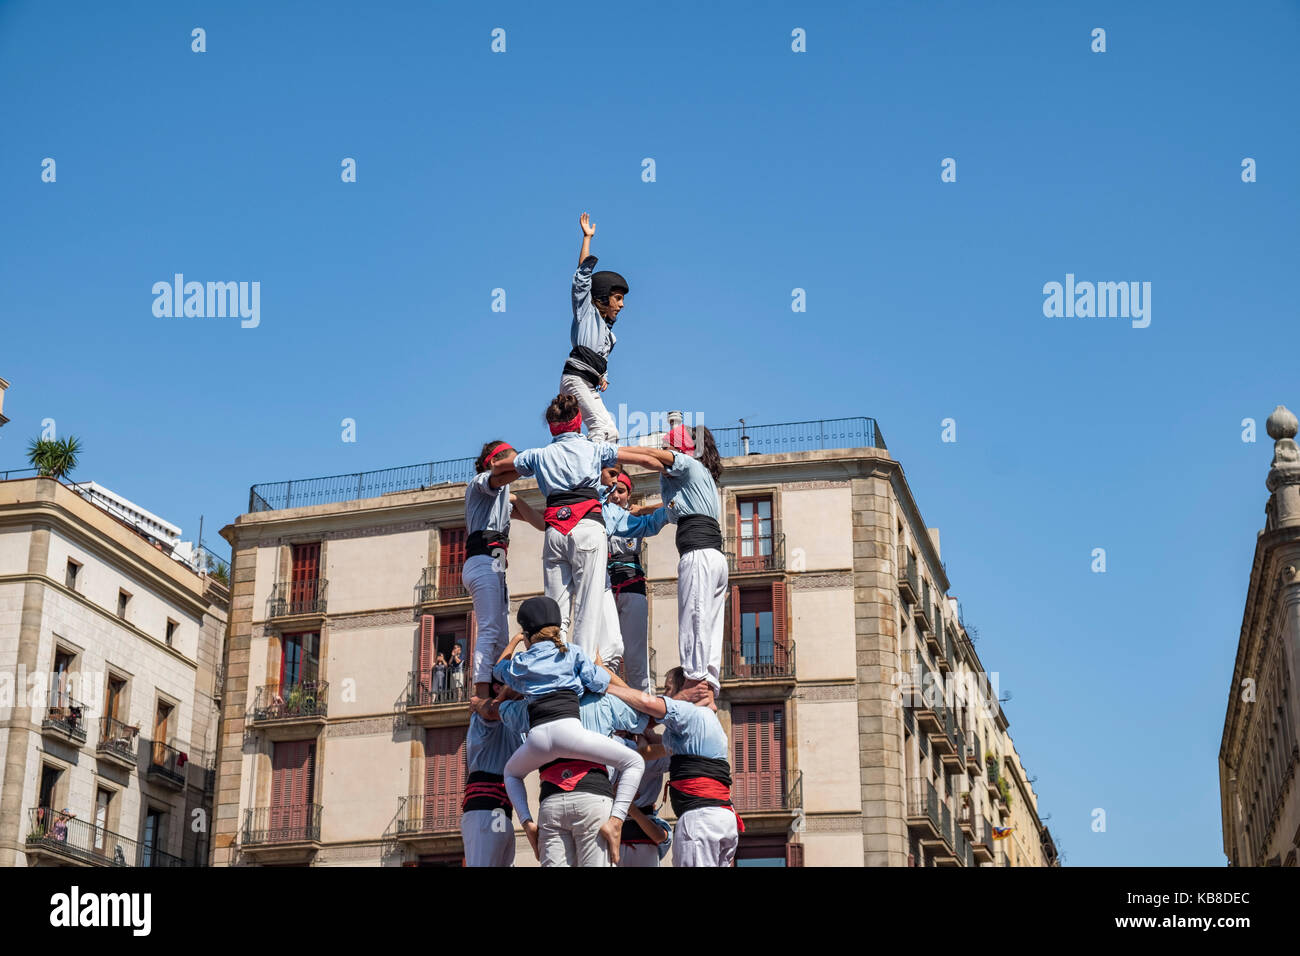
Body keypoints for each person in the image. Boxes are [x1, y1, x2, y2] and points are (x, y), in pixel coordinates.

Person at [490, 394, 648, 659]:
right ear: (578, 423)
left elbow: (498, 467)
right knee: (589, 605)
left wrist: (510, 470)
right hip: (587, 526)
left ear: (552, 426)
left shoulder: (538, 455)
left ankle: (555, 664)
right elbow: (643, 457)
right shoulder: (595, 448)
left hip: (555, 531)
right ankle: (582, 667)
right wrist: (668, 460)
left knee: (556, 610)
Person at [493, 596, 645, 862]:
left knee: (511, 773)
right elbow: (598, 682)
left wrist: (516, 642)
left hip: (539, 740)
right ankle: (617, 822)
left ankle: (527, 823)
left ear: (528, 634)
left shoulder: (522, 662)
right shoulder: (571, 652)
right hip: (569, 732)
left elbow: (498, 669)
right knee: (633, 762)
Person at [619, 424, 728, 704]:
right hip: (715, 558)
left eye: (667, 448)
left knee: (694, 618)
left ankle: (693, 682)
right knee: (710, 623)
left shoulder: (687, 464)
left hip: (698, 556)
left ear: (677, 450)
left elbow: (646, 456)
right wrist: (642, 510)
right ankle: (709, 692)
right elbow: (669, 507)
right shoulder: (699, 477)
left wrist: (612, 453)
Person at [492, 686, 648, 866]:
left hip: (551, 801)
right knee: (634, 762)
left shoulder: (530, 706)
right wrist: (617, 818)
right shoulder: (603, 701)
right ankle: (615, 822)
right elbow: (646, 715)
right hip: (593, 797)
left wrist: (527, 822)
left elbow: (493, 709)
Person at [602, 666, 741, 867]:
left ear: (684, 688)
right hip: (723, 818)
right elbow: (645, 725)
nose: (663, 695)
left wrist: (606, 686)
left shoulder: (689, 713)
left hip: (701, 820)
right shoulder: (698, 727)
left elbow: (646, 704)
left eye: (667, 689)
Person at [465, 439, 546, 702]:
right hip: (482, 561)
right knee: (489, 629)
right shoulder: (479, 483)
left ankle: (498, 689)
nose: (517, 467)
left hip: (495, 567)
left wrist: (517, 498)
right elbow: (497, 478)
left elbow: (542, 524)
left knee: (499, 632)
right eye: (512, 462)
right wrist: (529, 466)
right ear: (494, 463)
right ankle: (480, 692)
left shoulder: (503, 497)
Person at [560, 212, 627, 442]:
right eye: (617, 298)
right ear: (602, 296)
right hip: (575, 379)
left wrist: (603, 376)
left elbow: (600, 359)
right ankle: (586, 470)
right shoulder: (586, 314)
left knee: (612, 434)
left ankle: (590, 469)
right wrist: (587, 238)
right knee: (601, 429)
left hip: (587, 384)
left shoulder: (610, 337)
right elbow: (581, 279)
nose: (621, 304)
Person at [603, 467, 658, 692]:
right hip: (605, 588)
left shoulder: (637, 516)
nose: (616, 495)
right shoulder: (598, 513)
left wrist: (642, 509)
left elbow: (669, 507)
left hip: (632, 586)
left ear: (629, 494)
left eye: (622, 491)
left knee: (636, 658)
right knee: (607, 653)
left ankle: (643, 717)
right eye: (612, 490)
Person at [461, 682, 525, 867]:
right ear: (498, 688)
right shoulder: (483, 716)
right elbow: (492, 709)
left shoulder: (514, 721)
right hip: (486, 809)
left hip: (499, 810)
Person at [616, 729, 672, 867]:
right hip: (630, 828)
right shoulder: (654, 759)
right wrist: (646, 733)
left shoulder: (606, 747)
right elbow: (677, 748)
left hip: (622, 824)